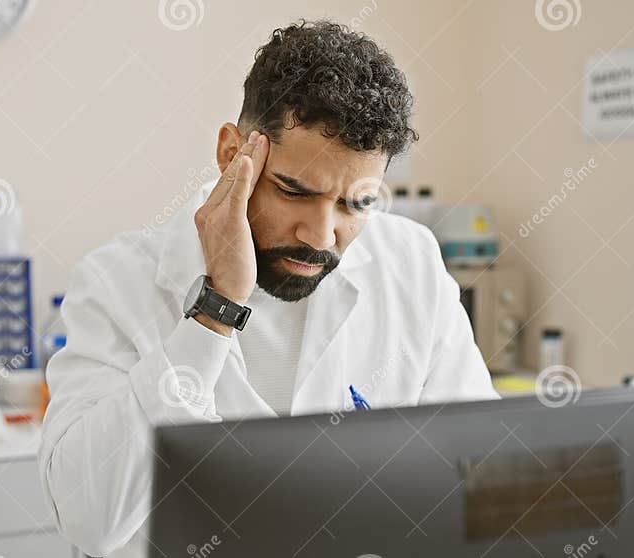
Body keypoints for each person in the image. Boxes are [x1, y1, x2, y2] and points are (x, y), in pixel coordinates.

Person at [39, 19, 498, 557]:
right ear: (231, 153)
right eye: (294, 191)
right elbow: (89, 521)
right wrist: (215, 311)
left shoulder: (410, 262)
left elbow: (478, 476)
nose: (321, 236)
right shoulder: (119, 281)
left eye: (356, 203)